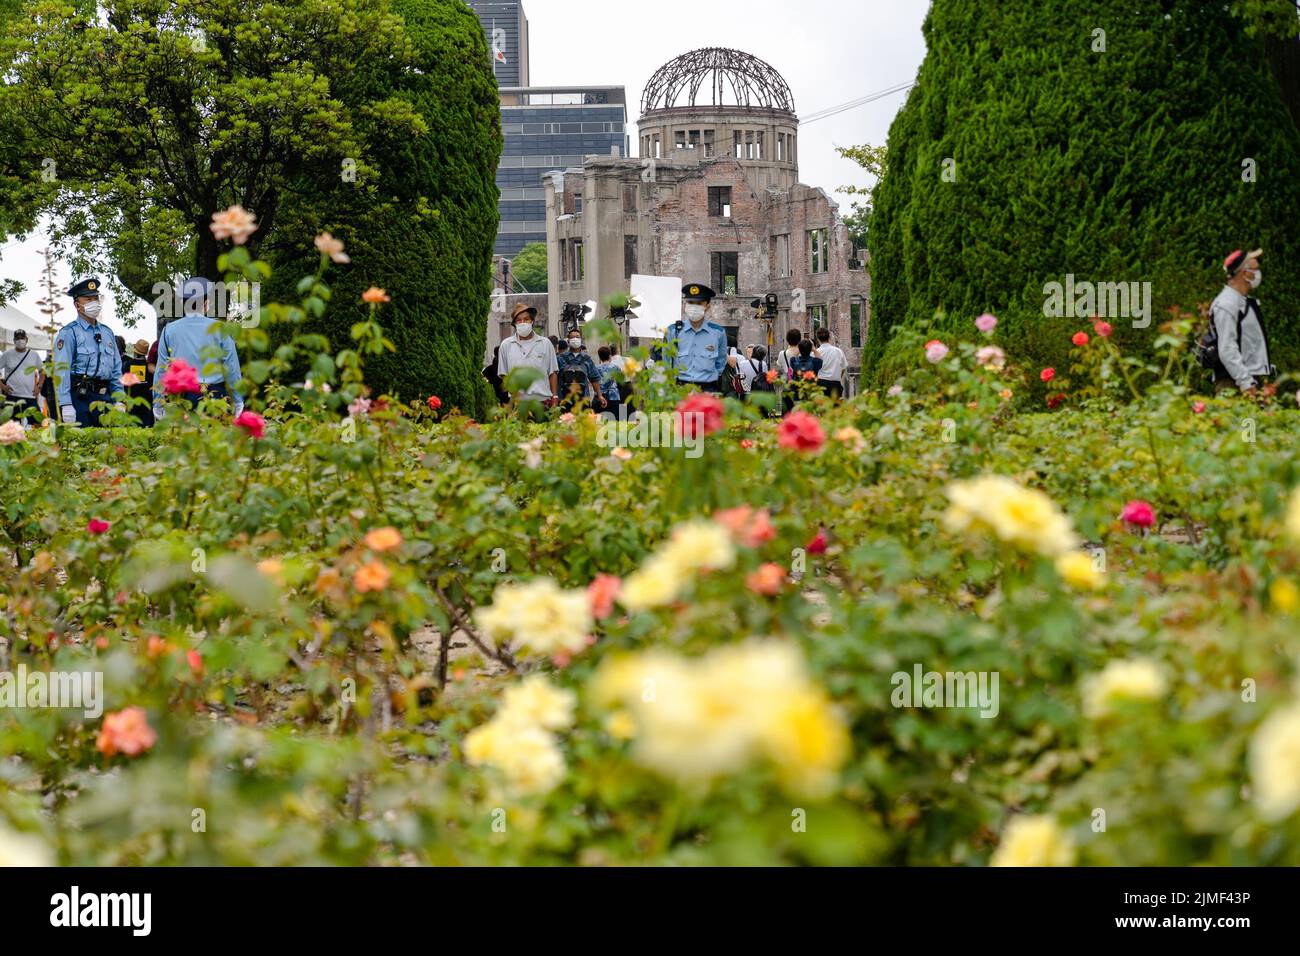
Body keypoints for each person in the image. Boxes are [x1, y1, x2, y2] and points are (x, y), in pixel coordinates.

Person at [152, 276, 244, 420]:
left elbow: (161, 370)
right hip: (215, 396)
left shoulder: (169, 330)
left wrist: (157, 402)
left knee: (183, 440)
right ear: (206, 304)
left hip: (181, 397)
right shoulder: (221, 329)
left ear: (183, 304)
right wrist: (238, 401)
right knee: (214, 440)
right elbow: (232, 368)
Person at [54, 277, 122, 426]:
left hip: (105, 399)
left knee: (107, 446)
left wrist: (120, 398)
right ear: (77, 305)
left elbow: (116, 368)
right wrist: (65, 404)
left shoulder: (107, 333)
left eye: (96, 298)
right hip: (80, 400)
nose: (94, 303)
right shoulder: (69, 333)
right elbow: (61, 371)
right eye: (88, 299)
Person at [1209, 248, 1274, 398]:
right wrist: (1246, 382)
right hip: (1235, 385)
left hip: (1248, 381)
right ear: (1244, 273)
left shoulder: (1242, 302)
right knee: (1240, 422)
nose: (1258, 273)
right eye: (1255, 269)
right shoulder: (1226, 304)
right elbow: (1227, 349)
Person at [665, 283, 728, 391]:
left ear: (707, 305)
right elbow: (666, 361)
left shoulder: (718, 332)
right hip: (680, 389)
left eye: (699, 303)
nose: (694, 307)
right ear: (685, 304)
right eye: (690, 302)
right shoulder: (672, 331)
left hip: (708, 390)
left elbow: (721, 362)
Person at [498, 304, 559, 410]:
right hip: (518, 402)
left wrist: (554, 396)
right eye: (519, 320)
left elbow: (552, 372)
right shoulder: (506, 345)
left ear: (532, 321)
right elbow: (504, 375)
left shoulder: (545, 343)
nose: (523, 323)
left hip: (542, 400)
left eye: (526, 319)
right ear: (515, 324)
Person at [556, 328, 607, 411]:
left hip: (583, 401)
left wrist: (600, 396)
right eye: (572, 338)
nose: (575, 339)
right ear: (568, 341)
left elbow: (594, 379)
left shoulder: (587, 359)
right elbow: (554, 378)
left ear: (581, 340)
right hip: (564, 400)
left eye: (577, 337)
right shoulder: (560, 359)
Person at [1, 330, 45, 422]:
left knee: (37, 424)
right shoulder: (7, 354)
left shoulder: (34, 355)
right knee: (13, 427)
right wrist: (3, 386)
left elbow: (42, 372)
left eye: (22, 338)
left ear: (26, 339)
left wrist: (39, 386)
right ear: (14, 340)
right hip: (12, 397)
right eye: (17, 338)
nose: (20, 341)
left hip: (30, 396)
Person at [124, 338, 154, 426]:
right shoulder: (149, 367)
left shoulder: (127, 365)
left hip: (131, 402)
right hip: (146, 403)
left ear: (135, 352)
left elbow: (124, 384)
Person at [814, 327, 845, 399]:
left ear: (818, 339)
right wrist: (837, 376)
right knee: (836, 408)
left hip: (821, 384)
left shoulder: (815, 353)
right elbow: (843, 368)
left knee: (822, 408)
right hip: (835, 383)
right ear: (829, 337)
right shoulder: (838, 351)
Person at [594, 346, 623, 418]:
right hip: (614, 396)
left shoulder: (595, 368)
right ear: (610, 356)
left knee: (600, 421)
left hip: (600, 397)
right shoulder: (616, 367)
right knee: (614, 421)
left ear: (600, 357)